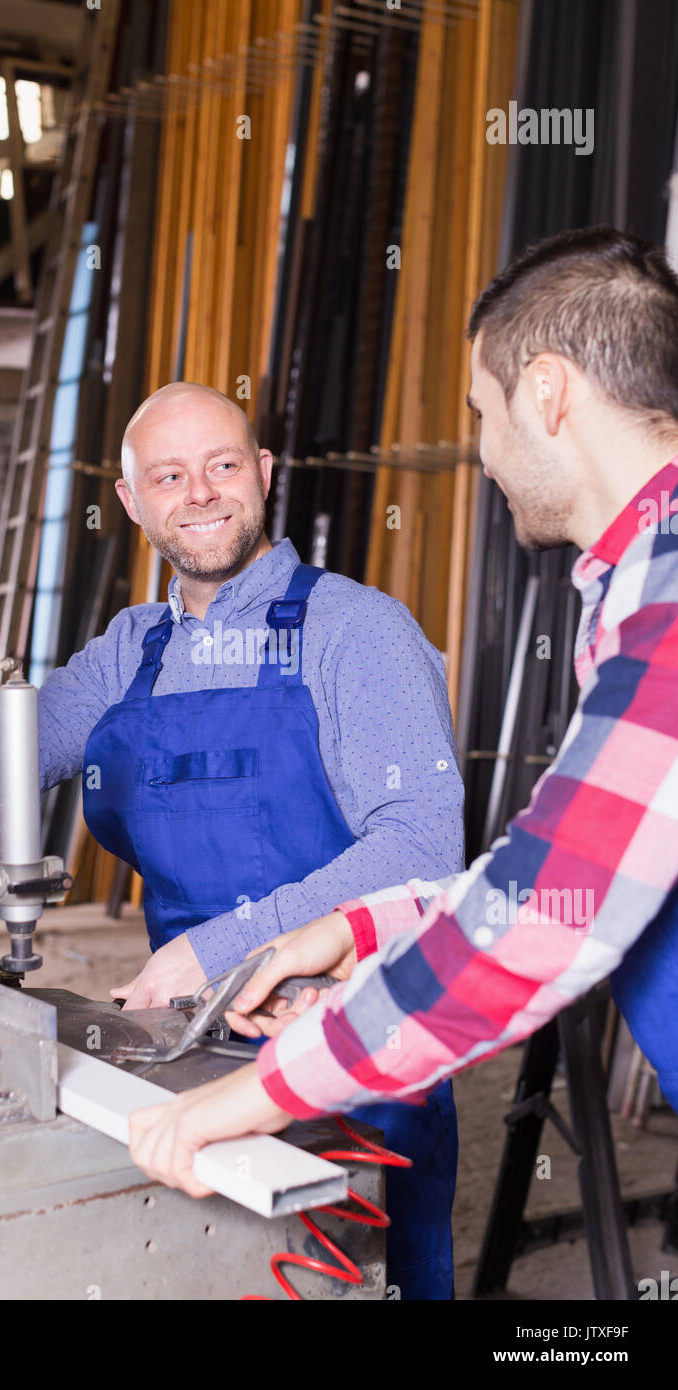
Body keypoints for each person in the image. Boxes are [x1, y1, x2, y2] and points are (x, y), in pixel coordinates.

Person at [0, 380, 464, 1298]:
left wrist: (223, 949)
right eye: (168, 475)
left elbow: (422, 850)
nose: (198, 492)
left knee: (363, 1276)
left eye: (222, 466)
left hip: (360, 1037)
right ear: (131, 501)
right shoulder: (136, 647)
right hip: (190, 1041)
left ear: (265, 475)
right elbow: (17, 747)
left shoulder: (358, 633)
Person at [125, 226, 678, 1217]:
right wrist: (347, 933)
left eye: (481, 411)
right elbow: (561, 879)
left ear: (545, 394)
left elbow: (547, 916)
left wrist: (257, 1092)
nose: (482, 451)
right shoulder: (630, 586)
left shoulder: (666, 606)